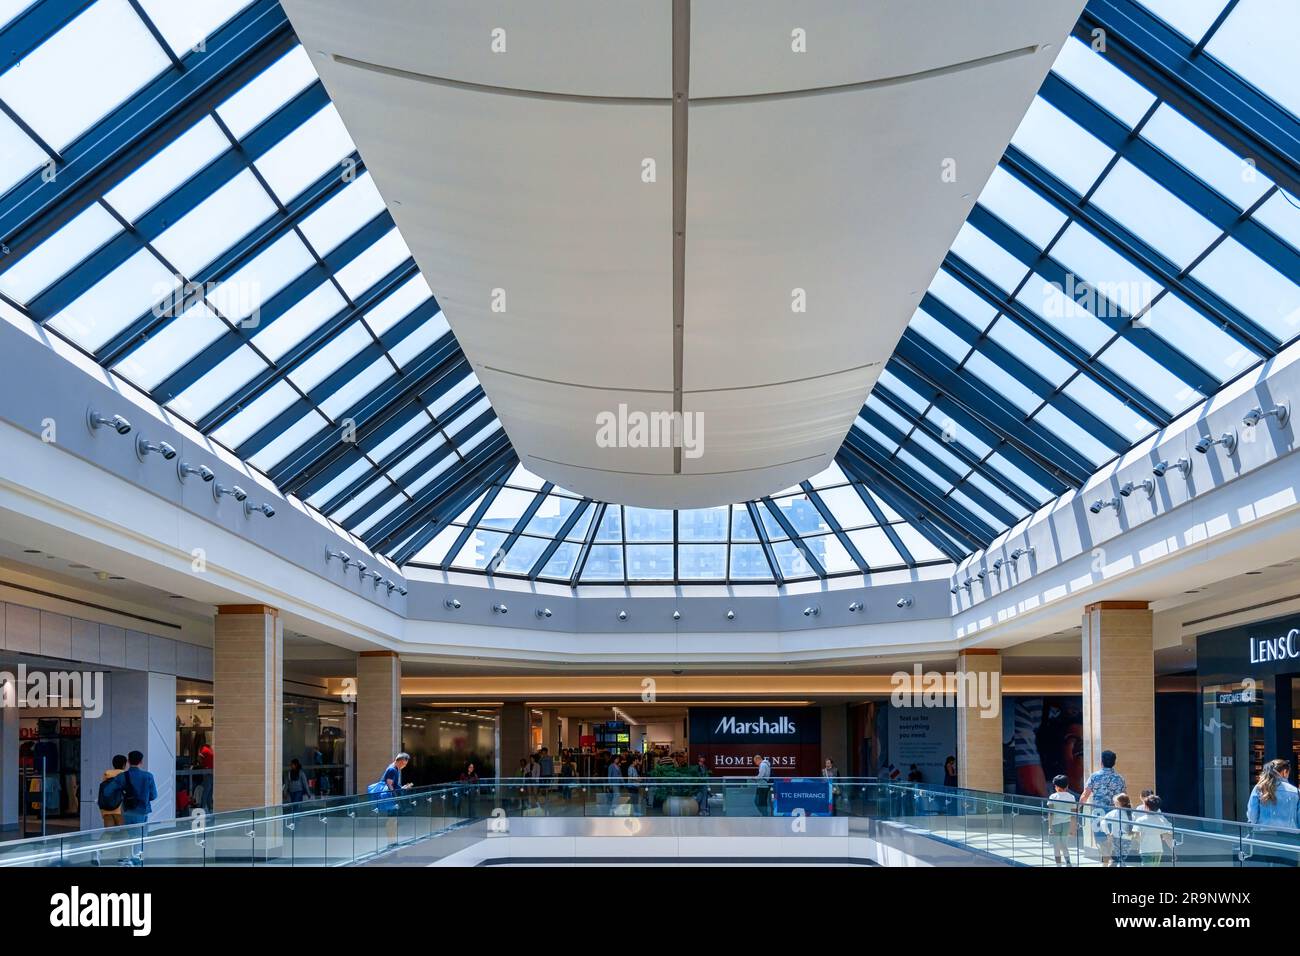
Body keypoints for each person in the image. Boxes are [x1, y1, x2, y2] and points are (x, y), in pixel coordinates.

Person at [1247, 758, 1300, 865]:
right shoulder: (1295, 791)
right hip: (1289, 837)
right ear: (1284, 772)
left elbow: (1252, 816)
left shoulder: (1259, 788)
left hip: (1262, 835)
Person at [1079, 749, 1126, 857]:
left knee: (1100, 841)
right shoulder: (1120, 778)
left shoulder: (1095, 776)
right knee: (1113, 840)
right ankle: (1110, 860)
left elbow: (1085, 795)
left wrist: (1079, 809)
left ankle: (1106, 861)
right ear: (1114, 762)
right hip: (1115, 814)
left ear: (1101, 762)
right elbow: (1124, 798)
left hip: (1098, 813)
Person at [1132, 794, 1173, 866]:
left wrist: (1138, 845)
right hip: (1158, 850)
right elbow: (1167, 837)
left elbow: (1136, 836)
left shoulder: (1140, 820)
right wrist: (1173, 851)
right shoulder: (1160, 820)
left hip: (1146, 849)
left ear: (1146, 806)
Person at [1046, 774, 1076, 866]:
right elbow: (1073, 814)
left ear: (1056, 786)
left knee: (1056, 847)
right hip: (1067, 823)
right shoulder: (1071, 797)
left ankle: (1058, 864)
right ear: (1067, 786)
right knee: (1064, 845)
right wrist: (1073, 829)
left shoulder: (1052, 797)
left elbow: (1051, 813)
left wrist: (1049, 827)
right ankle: (1068, 862)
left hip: (1055, 824)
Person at [122, 751, 158, 828]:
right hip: (142, 809)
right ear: (141, 761)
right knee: (141, 836)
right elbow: (154, 795)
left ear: (128, 761)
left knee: (128, 836)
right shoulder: (148, 776)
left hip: (127, 809)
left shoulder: (123, 776)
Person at [1101, 793, 1134, 867]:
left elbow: (1103, 822)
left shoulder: (1115, 813)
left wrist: (1108, 833)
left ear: (1118, 803)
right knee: (1122, 859)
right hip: (1128, 838)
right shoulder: (1132, 813)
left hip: (1116, 838)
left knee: (1116, 859)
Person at [99, 754, 128, 829]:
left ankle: (103, 841)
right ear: (124, 765)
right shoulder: (124, 775)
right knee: (123, 833)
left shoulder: (107, 774)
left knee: (108, 834)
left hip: (106, 809)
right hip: (120, 808)